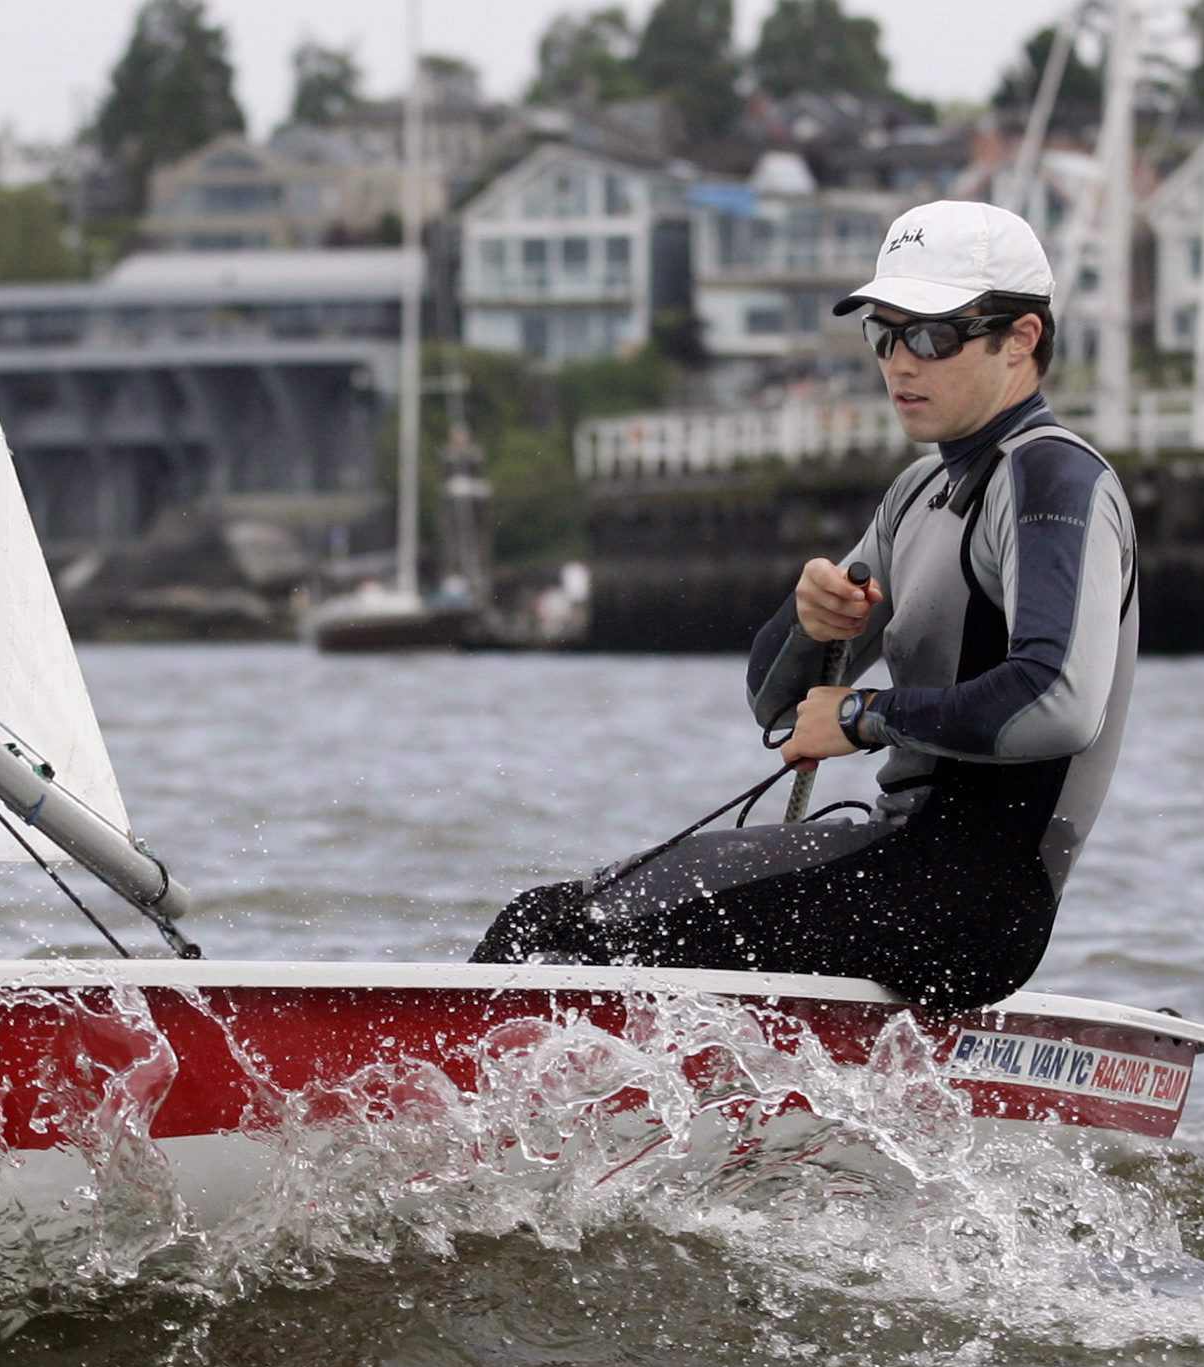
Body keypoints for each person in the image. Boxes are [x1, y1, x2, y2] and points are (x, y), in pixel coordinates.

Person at [473, 200, 1138, 1011]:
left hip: (970, 902)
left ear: (1022, 338)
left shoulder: (1053, 479)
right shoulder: (917, 492)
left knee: (551, 926)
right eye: (884, 335)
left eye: (933, 337)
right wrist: (809, 622)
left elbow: (1059, 701)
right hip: (901, 870)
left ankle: (430, 1084)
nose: (901, 363)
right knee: (567, 925)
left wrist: (864, 715)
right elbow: (777, 705)